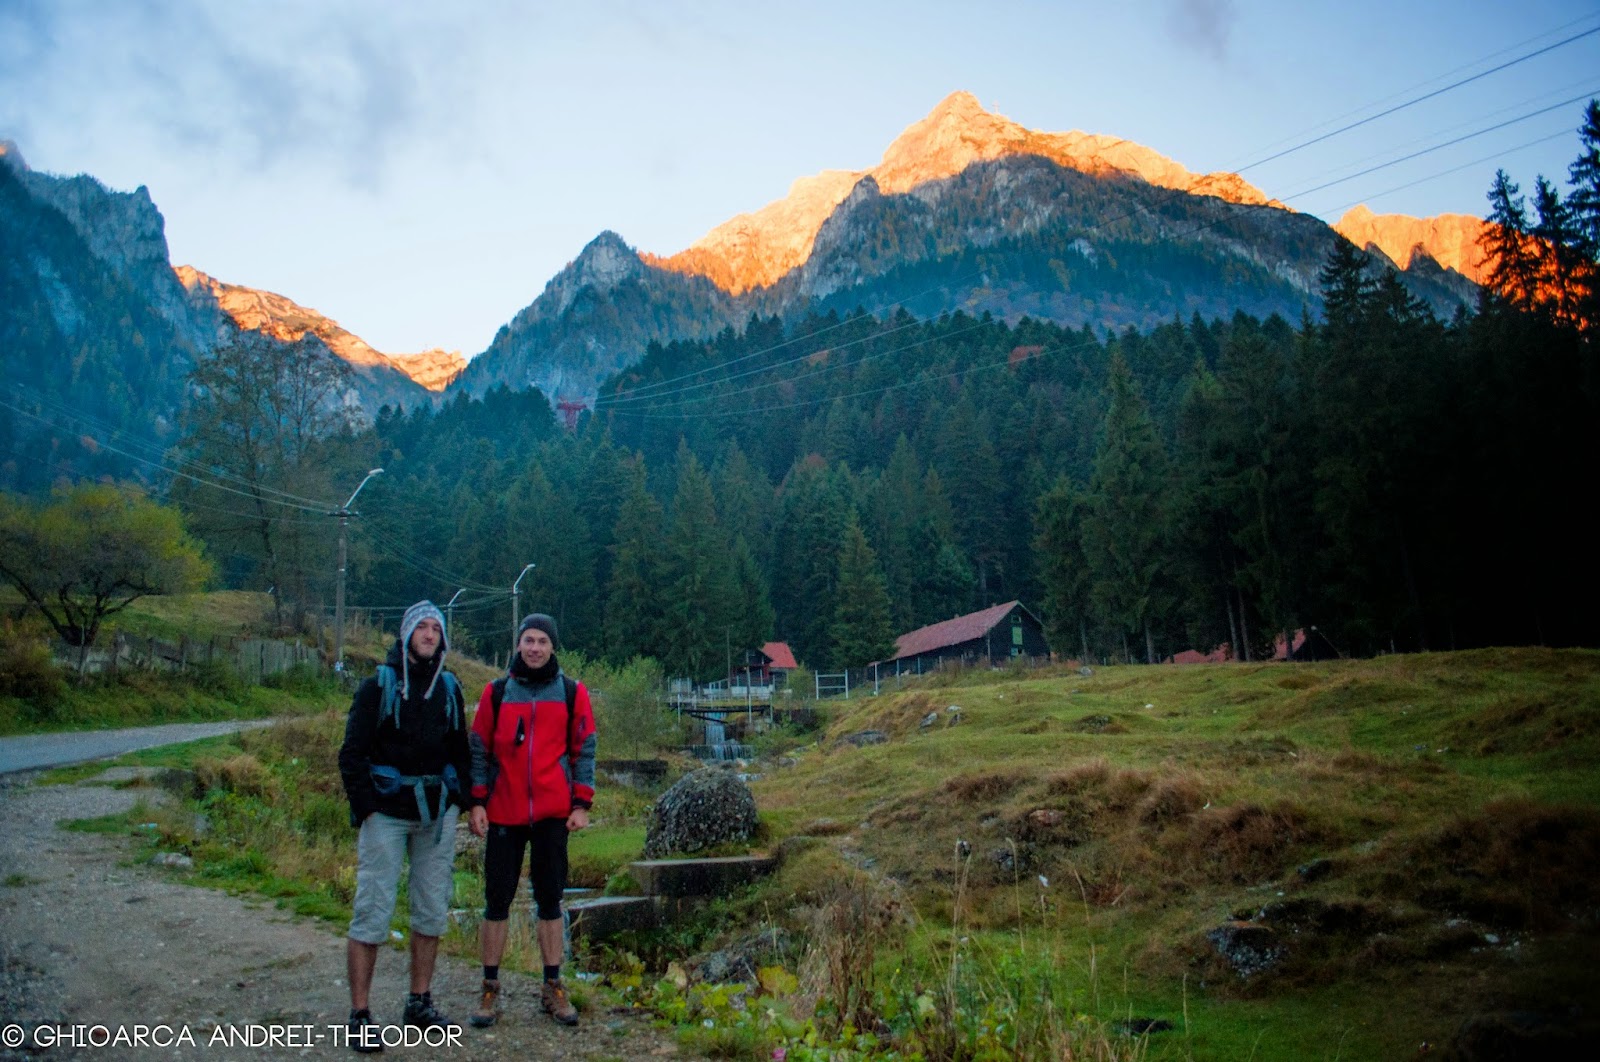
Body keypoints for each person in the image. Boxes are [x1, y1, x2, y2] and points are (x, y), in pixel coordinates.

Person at [337, 601, 473, 1051]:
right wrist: (369, 808)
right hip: (387, 816)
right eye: (423, 627)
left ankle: (419, 1002)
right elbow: (351, 754)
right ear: (406, 633)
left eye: (437, 628)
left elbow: (461, 753)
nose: (430, 634)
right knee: (373, 909)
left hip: (436, 817)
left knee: (431, 910)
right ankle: (360, 1013)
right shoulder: (378, 686)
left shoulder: (450, 689)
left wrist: (464, 802)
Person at [467, 613, 596, 1029]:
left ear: (553, 646)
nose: (535, 647)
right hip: (503, 812)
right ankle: (490, 987)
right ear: (518, 645)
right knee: (497, 901)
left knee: (550, 900)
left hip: (552, 814)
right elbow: (479, 750)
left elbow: (584, 750)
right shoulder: (497, 692)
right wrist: (477, 802)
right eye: (529, 640)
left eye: (542, 640)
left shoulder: (574, 693)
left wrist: (581, 805)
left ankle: (553, 986)